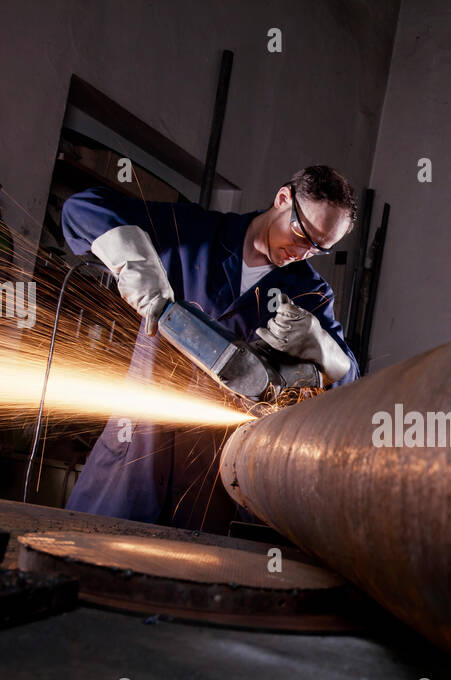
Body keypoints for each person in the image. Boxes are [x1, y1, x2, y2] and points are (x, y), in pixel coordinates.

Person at [60, 165, 360, 529]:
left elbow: (350, 388)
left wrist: (327, 351)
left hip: (206, 482)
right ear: (283, 199)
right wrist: (129, 256)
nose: (303, 252)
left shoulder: (309, 294)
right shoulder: (192, 232)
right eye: (301, 233)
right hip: (130, 459)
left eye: (319, 248)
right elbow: (81, 209)